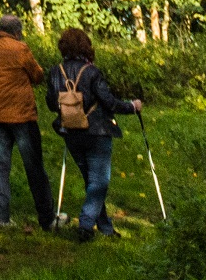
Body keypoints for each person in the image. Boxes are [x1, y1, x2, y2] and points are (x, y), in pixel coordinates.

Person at [44, 27, 143, 239]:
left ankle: (106, 229)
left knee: (92, 183)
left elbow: (52, 104)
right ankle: (86, 225)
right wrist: (132, 107)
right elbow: (108, 102)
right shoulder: (92, 72)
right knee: (99, 182)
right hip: (96, 132)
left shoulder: (55, 72)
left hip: (70, 131)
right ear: (86, 47)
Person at [0, 14, 56, 232]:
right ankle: (47, 219)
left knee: (0, 166)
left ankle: (0, 217)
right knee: (34, 167)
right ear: (17, 32)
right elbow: (37, 76)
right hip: (22, 116)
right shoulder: (21, 49)